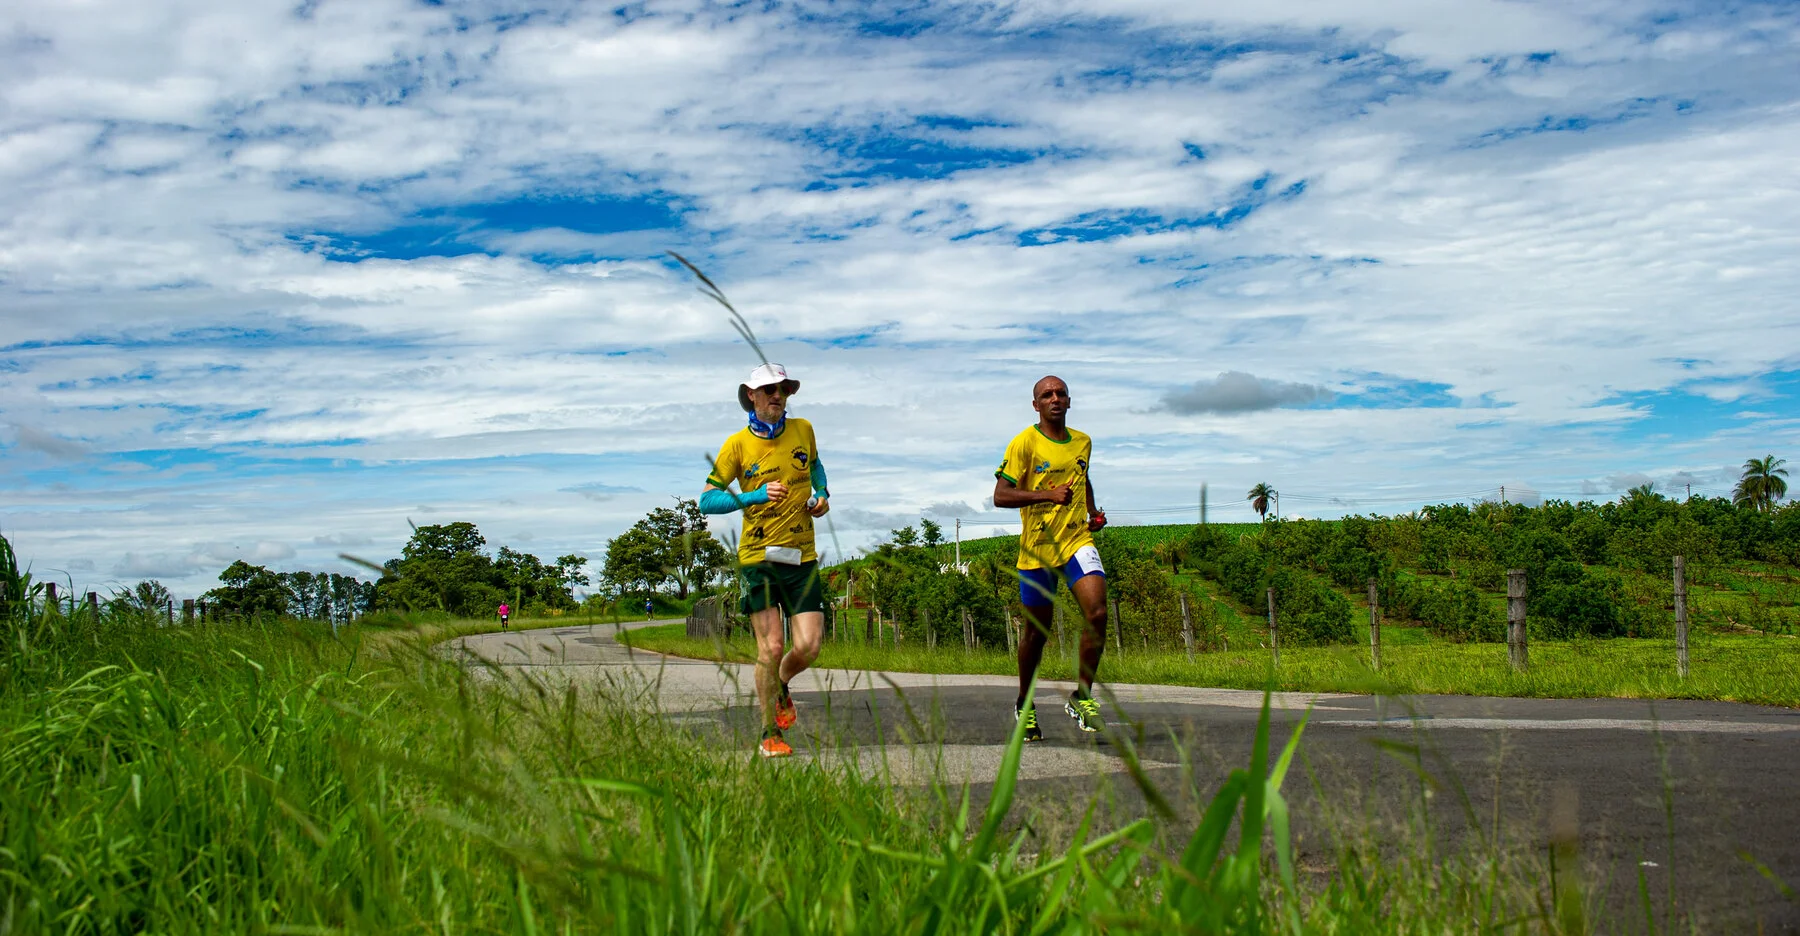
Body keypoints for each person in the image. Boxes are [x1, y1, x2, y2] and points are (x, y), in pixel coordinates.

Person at [697, 363, 831, 758]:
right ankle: (769, 733)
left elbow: (816, 465)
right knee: (771, 647)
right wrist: (754, 496)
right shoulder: (736, 445)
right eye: (769, 389)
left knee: (809, 646)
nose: (778, 395)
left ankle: (783, 685)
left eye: (784, 389)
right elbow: (707, 499)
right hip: (757, 557)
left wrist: (822, 493)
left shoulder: (803, 429)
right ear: (751, 396)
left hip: (801, 555)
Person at [992, 375, 1109, 741]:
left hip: (1076, 539)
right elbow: (1000, 495)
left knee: (1098, 612)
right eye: (1047, 395)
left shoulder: (1083, 441)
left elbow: (1081, 475)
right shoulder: (1024, 443)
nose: (1055, 398)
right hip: (1038, 549)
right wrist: (1046, 496)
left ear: (1069, 402)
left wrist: (1091, 511)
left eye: (1060, 394)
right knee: (1036, 635)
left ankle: (1082, 696)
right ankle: (1024, 704)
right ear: (1036, 405)